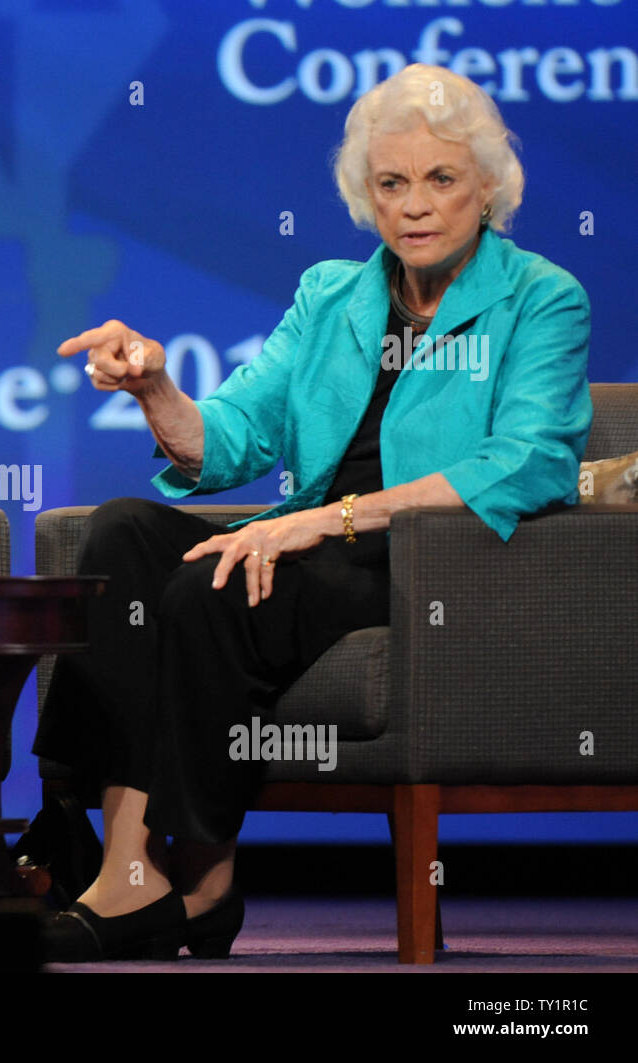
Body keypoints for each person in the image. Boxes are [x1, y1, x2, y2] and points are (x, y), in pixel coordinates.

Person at [35, 64, 591, 962]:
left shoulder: (541, 298)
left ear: (489, 189)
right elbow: (230, 439)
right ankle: (121, 862)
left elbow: (526, 463)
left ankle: (203, 879)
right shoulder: (331, 293)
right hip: (311, 542)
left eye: (441, 180)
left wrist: (324, 521)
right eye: (391, 183)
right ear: (365, 196)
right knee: (121, 535)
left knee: (209, 592)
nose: (414, 205)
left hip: (423, 560)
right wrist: (154, 386)